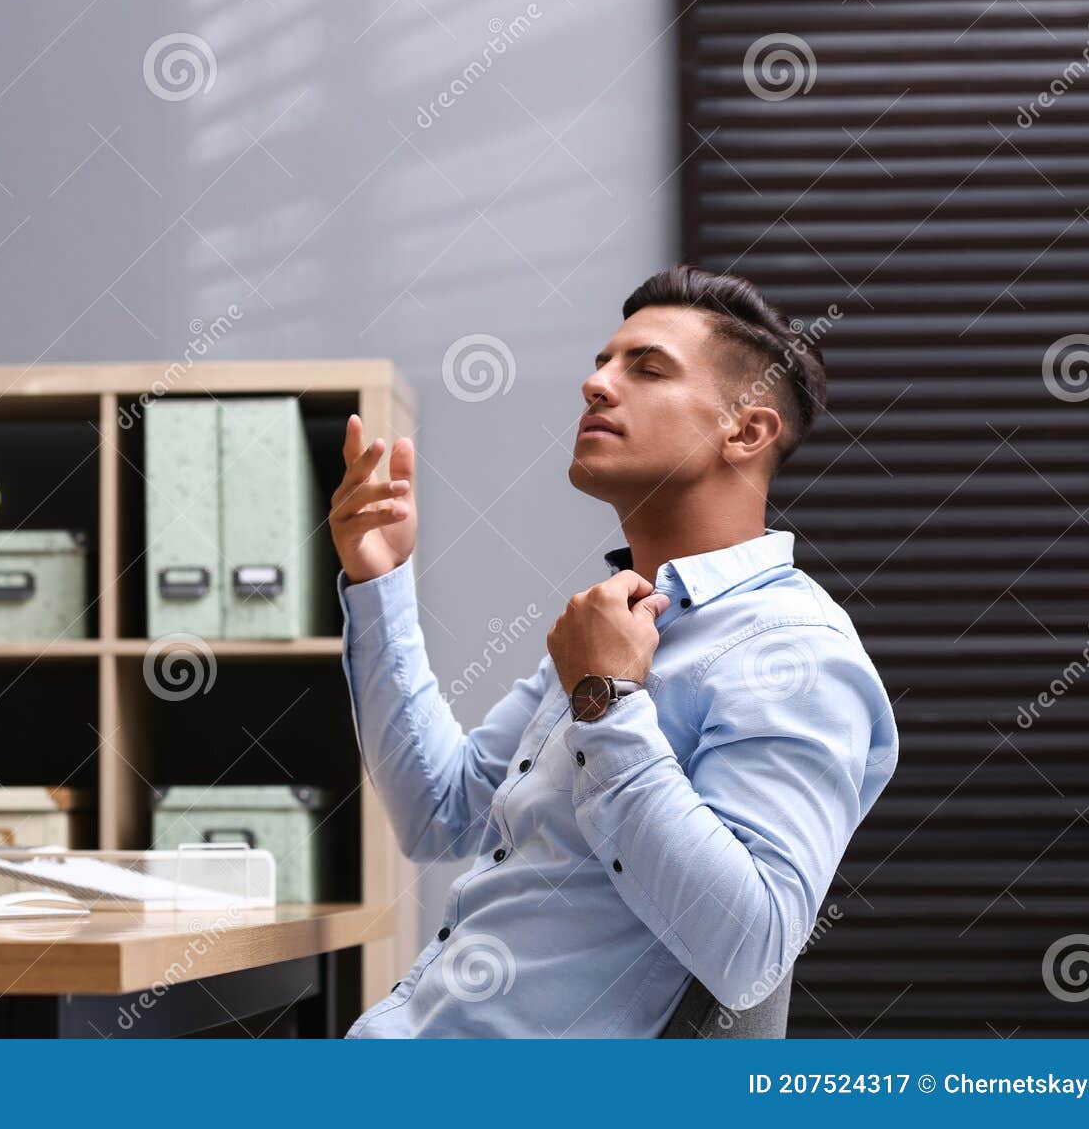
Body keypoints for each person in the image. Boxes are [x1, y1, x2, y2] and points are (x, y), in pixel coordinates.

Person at [330, 265, 898, 1037]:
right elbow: (440, 812)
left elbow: (752, 950)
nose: (596, 384)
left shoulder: (796, 653)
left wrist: (608, 700)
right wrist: (382, 581)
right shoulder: (619, 622)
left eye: (647, 367)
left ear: (747, 430)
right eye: (602, 361)